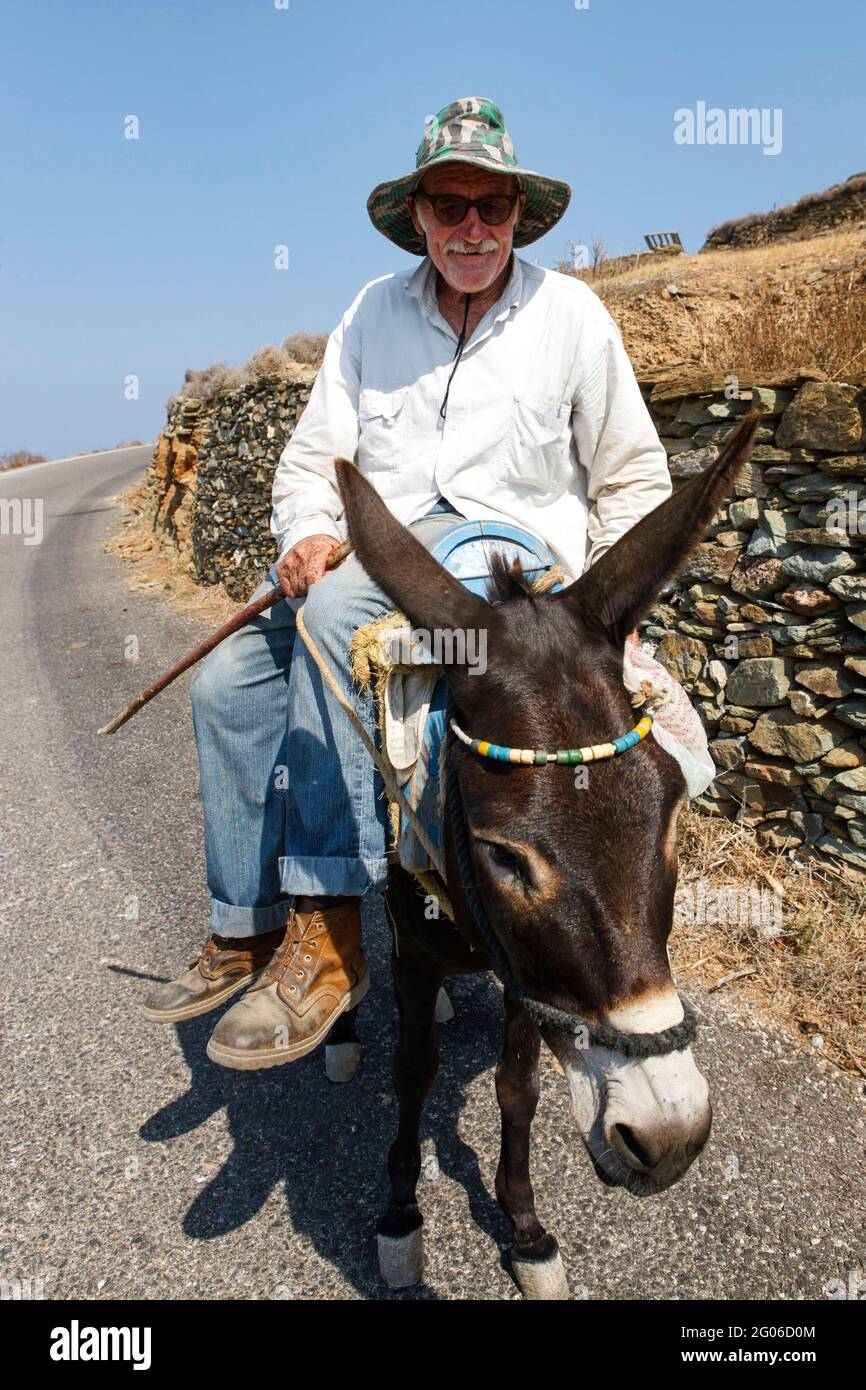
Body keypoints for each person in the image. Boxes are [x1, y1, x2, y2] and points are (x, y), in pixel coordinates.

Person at [143, 97, 672, 1070]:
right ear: (418, 216)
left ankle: (327, 924)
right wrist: (304, 530)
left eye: (492, 206)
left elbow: (633, 478)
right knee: (225, 688)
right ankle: (245, 922)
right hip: (383, 555)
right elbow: (311, 460)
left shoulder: (571, 317)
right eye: (449, 206)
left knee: (335, 615)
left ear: (519, 213)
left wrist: (607, 620)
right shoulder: (367, 315)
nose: (472, 228)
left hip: (509, 573)